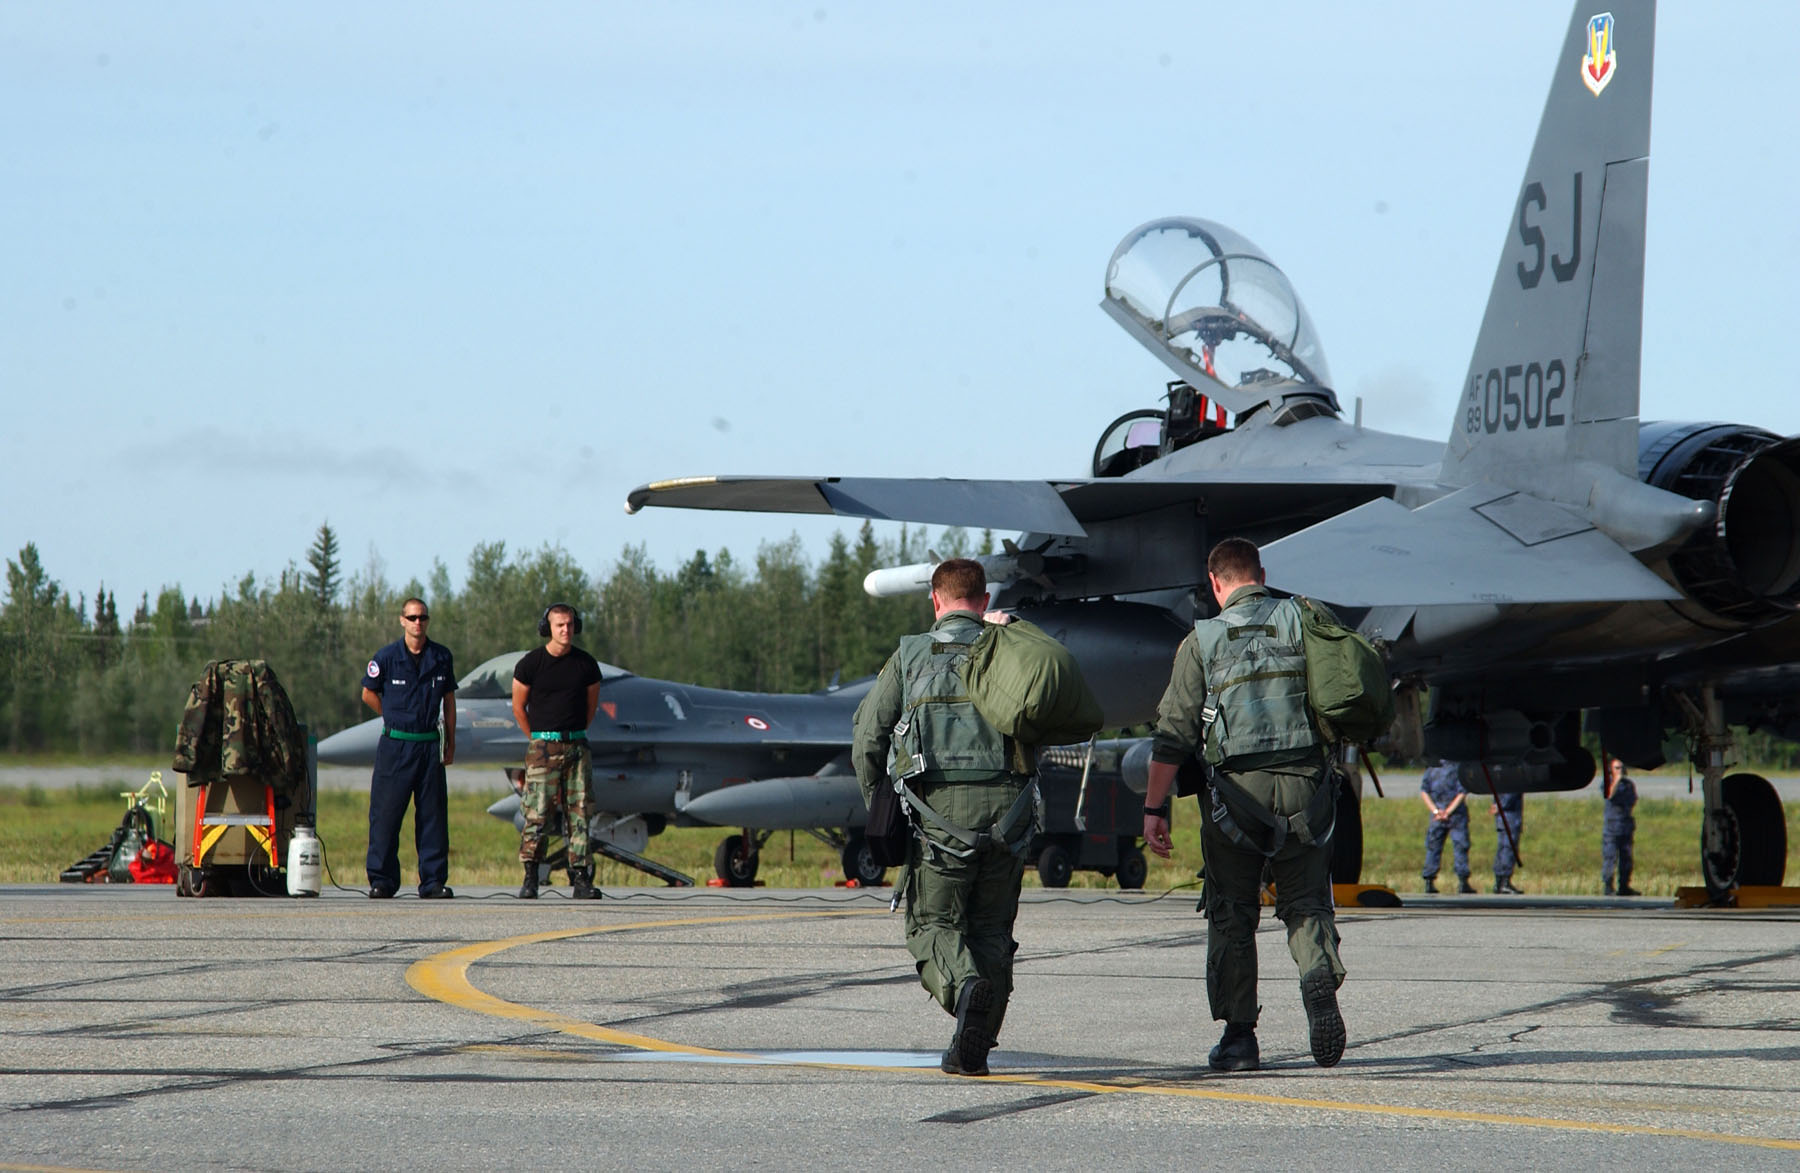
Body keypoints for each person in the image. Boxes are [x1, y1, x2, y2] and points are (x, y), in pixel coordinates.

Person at [1141, 537, 1346, 1073]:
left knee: (1233, 913)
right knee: (1305, 904)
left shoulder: (1202, 640)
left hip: (1235, 801)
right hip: (1308, 790)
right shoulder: (1305, 620)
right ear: (1261, 573)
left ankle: (1239, 1040)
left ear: (1215, 584)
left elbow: (1172, 735)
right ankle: (1317, 975)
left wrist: (1154, 809)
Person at [852, 558, 1039, 1078]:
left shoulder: (911, 653)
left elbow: (869, 733)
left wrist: (880, 802)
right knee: (991, 931)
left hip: (938, 818)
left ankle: (963, 990)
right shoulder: (1012, 648)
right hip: (1011, 812)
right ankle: (973, 1046)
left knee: (933, 924)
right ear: (983, 601)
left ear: (935, 602)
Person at [359, 598, 457, 899]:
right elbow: (368, 694)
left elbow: (449, 702)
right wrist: (393, 715)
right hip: (396, 745)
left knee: (433, 816)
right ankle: (382, 879)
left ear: (427, 621)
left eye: (422, 617)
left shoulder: (441, 657)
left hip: (428, 745)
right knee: (386, 815)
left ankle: (432, 881)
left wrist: (450, 742)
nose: (418, 623)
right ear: (402, 620)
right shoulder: (387, 658)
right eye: (412, 617)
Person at [511, 603, 604, 900]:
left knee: (580, 814)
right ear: (547, 628)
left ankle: (580, 878)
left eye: (569, 625)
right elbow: (518, 708)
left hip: (577, 746)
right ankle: (530, 878)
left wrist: (570, 736)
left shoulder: (587, 665)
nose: (566, 630)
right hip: (543, 748)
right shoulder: (530, 664)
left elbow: (591, 709)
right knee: (537, 813)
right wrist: (539, 740)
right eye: (559, 625)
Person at [1419, 759, 1474, 894]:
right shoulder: (1457, 768)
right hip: (1456, 815)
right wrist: (1448, 812)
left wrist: (1436, 812)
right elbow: (1462, 792)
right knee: (1460, 846)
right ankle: (1462, 882)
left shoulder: (1432, 769)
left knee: (1433, 847)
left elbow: (1424, 791)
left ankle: (1429, 881)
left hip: (1437, 815)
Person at [1602, 757, 1640, 896]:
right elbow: (1609, 796)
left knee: (1626, 857)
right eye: (1617, 768)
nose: (1620, 771)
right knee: (1610, 857)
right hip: (1612, 827)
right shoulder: (1608, 783)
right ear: (1611, 770)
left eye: (1622, 768)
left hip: (1625, 825)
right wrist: (1616, 780)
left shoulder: (1628, 784)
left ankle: (1624, 886)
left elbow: (1632, 800)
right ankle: (1608, 885)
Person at [1491, 791, 1525, 894]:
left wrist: (1496, 805)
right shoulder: (1512, 777)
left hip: (1502, 817)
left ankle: (1499, 882)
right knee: (1508, 849)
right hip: (1510, 816)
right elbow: (1510, 794)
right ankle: (1504, 883)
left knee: (1502, 848)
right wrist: (1500, 805)